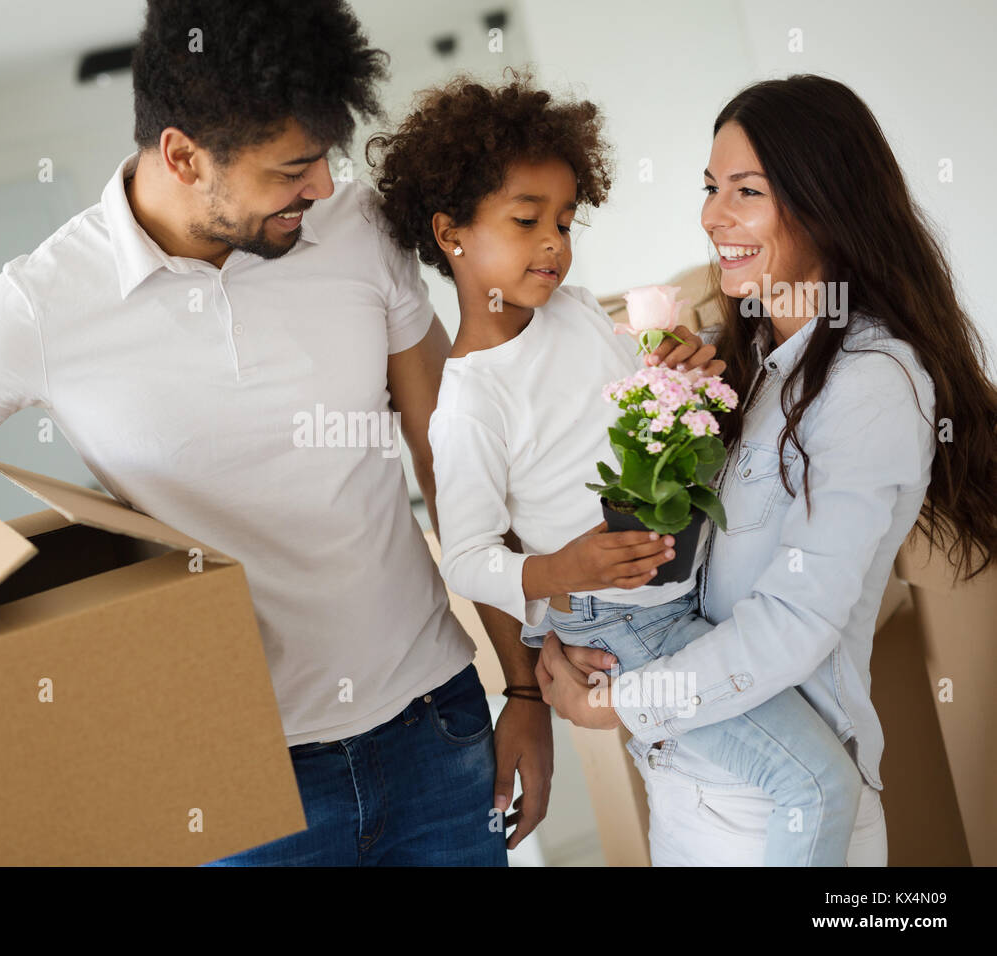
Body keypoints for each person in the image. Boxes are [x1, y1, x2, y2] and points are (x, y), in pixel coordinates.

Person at [0, 1, 668, 867]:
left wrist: (519, 685)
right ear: (182, 154)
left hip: (435, 727)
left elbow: (450, 458)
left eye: (323, 159)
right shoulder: (39, 308)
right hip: (237, 793)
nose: (321, 186)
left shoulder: (354, 231)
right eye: (291, 169)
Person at [370, 72, 864, 866]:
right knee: (814, 786)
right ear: (450, 232)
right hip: (623, 630)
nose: (554, 244)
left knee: (783, 786)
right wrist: (559, 568)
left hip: (689, 590)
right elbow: (465, 559)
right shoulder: (468, 400)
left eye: (565, 221)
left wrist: (682, 377)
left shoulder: (572, 310)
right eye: (527, 220)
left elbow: (631, 415)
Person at [536, 74, 997, 866]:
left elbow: (794, 624)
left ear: (825, 200)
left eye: (746, 190)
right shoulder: (749, 368)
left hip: (777, 818)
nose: (714, 216)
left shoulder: (873, 383)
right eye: (711, 187)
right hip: (687, 790)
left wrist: (618, 701)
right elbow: (669, 569)